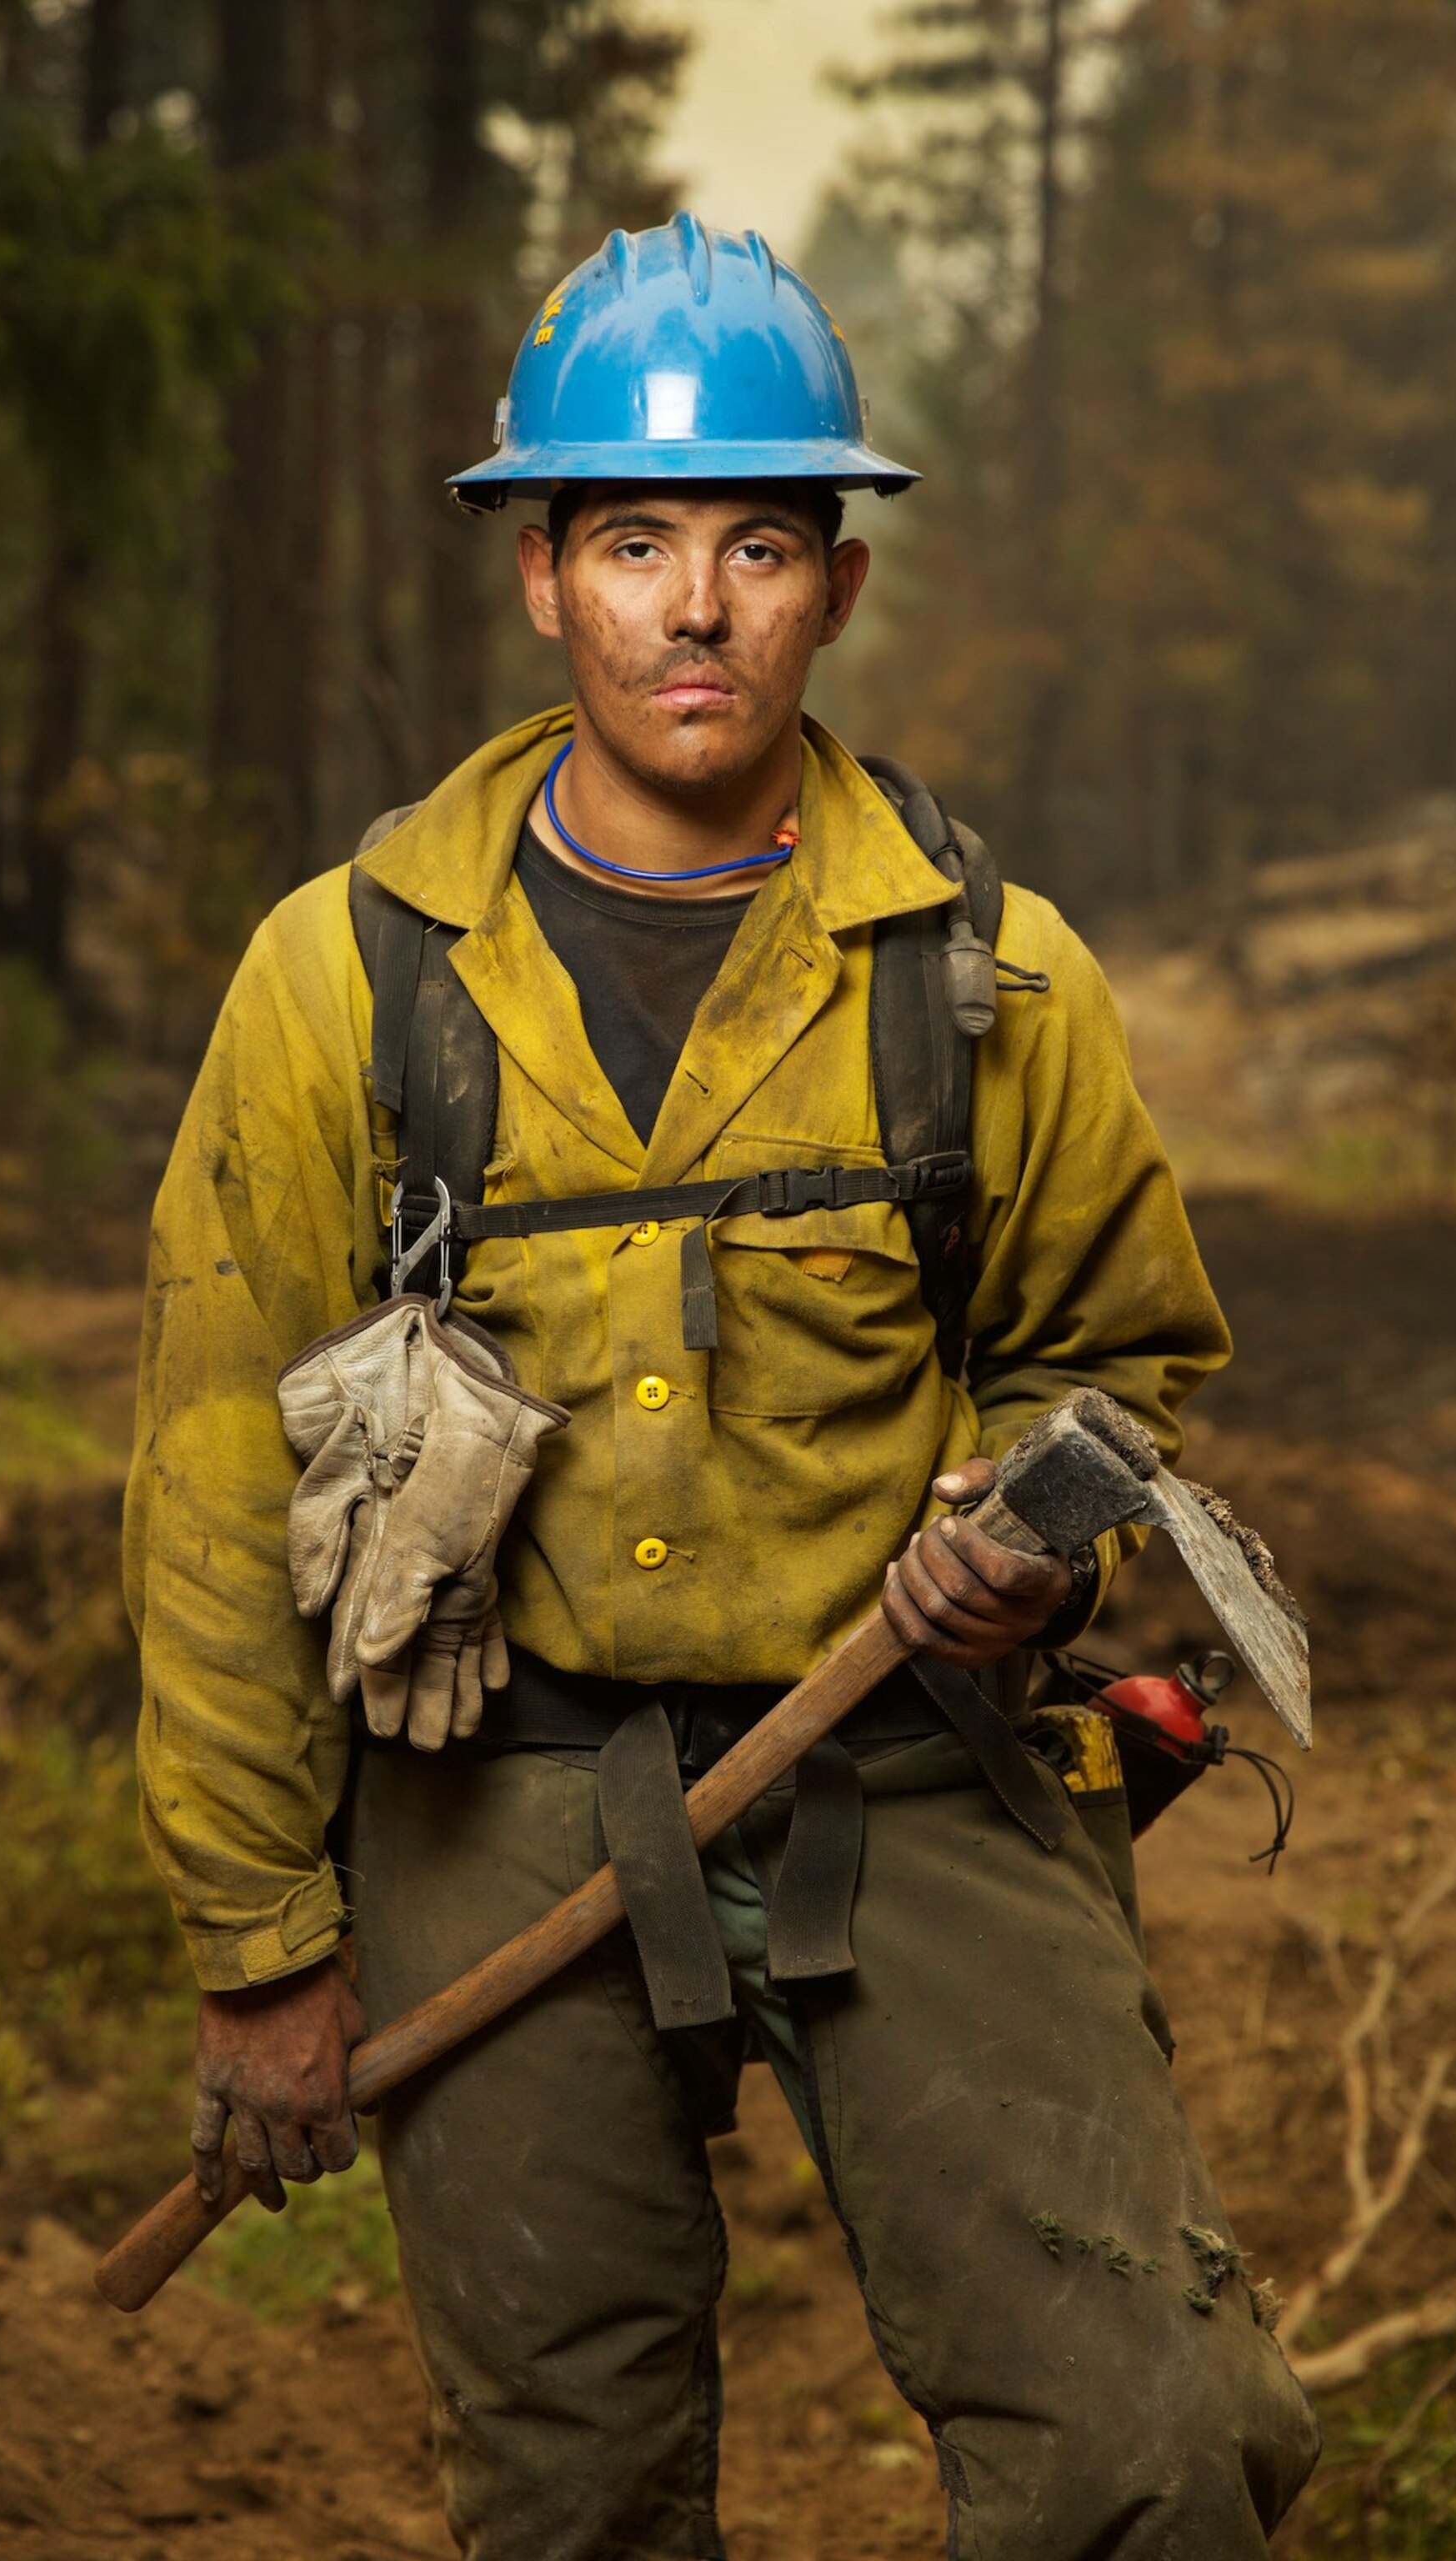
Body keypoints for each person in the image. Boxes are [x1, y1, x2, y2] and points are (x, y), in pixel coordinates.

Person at [126, 212, 1319, 2558]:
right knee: (569, 2492)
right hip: (489, 1800)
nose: (697, 608)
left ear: (837, 590)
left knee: (1150, 2443)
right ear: (541, 574)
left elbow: (1114, 1354)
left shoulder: (993, 978)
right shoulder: (348, 981)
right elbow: (208, 1470)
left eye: (759, 546)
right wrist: (262, 1944)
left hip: (913, 1766)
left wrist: (1025, 1546)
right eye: (635, 542)